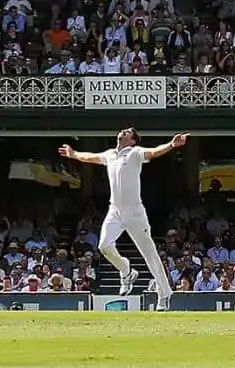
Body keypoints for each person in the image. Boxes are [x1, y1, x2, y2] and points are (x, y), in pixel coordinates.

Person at [58, 128, 187, 309]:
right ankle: (126, 270)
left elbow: (154, 152)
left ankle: (164, 295)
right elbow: (91, 157)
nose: (123, 132)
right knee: (104, 246)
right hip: (115, 210)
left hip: (135, 212)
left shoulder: (135, 152)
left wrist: (172, 145)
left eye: (127, 132)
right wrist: (74, 154)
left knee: (150, 254)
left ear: (133, 140)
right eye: (123, 130)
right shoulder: (110, 155)